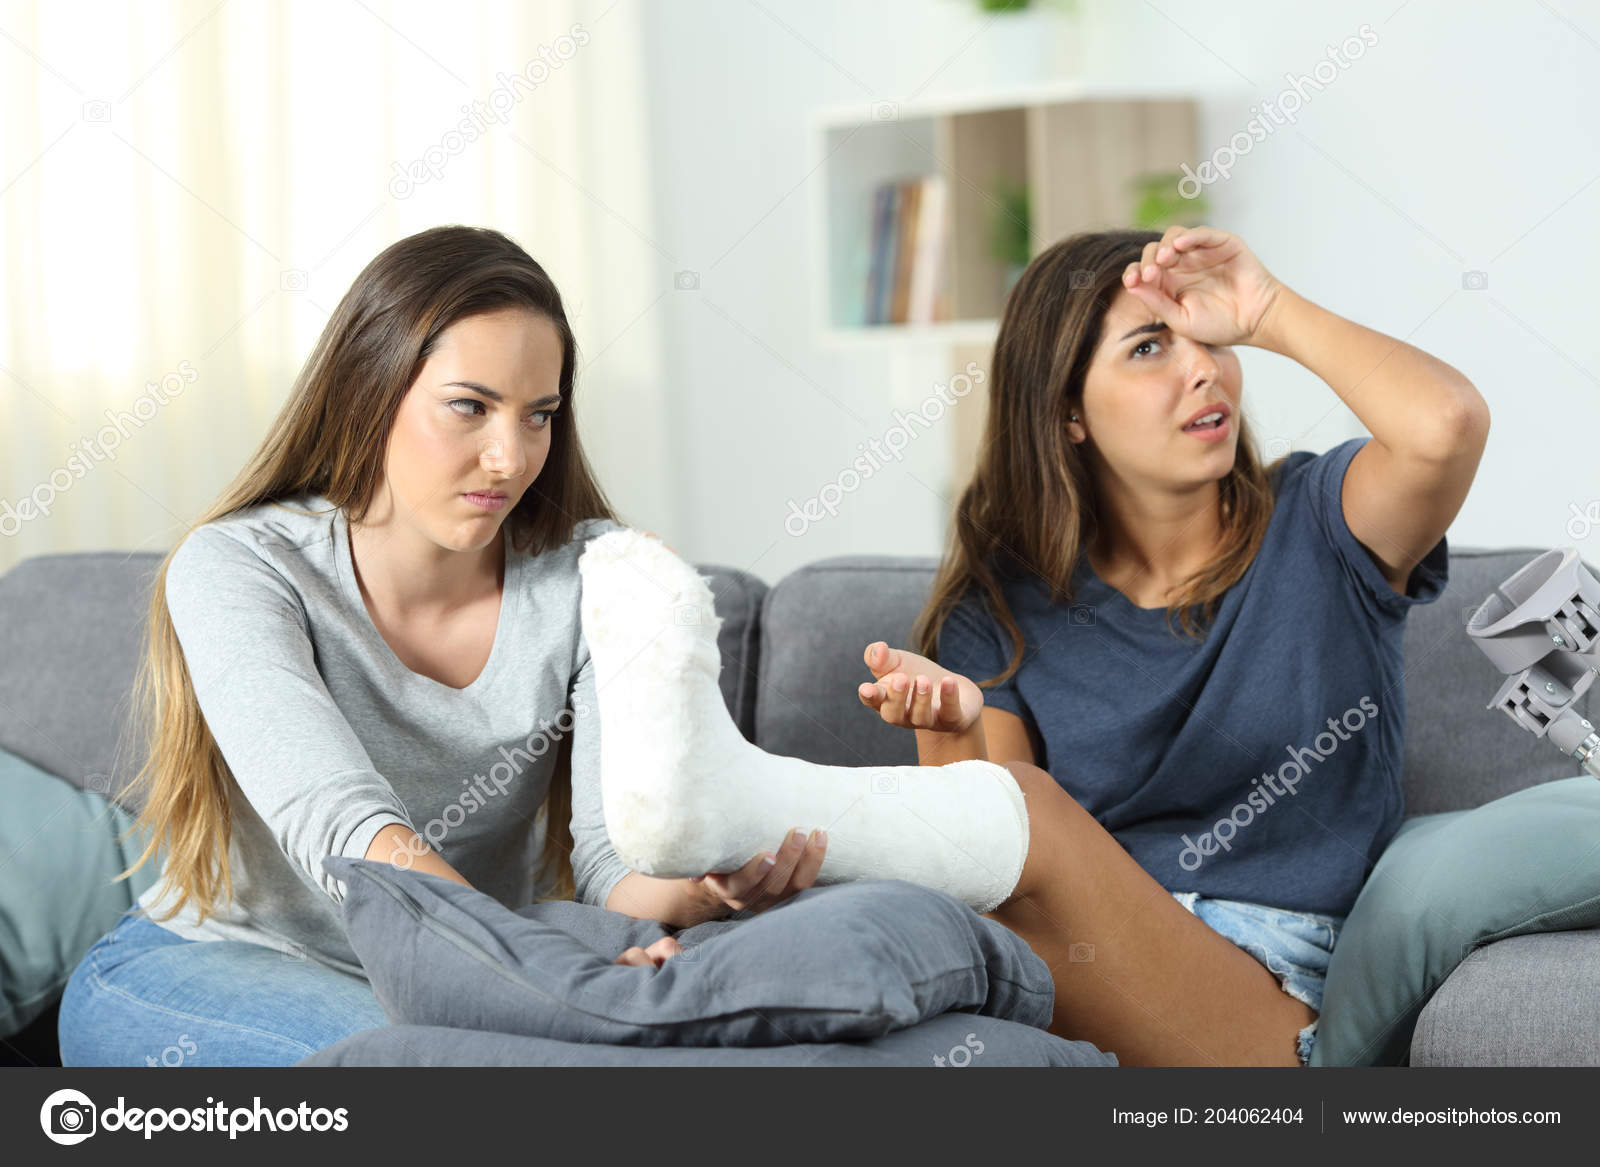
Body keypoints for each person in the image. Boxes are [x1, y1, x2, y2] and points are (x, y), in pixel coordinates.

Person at [56, 224, 823, 1067]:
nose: (511, 456)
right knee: (448, 1073)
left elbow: (605, 860)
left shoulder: (593, 577)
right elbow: (344, 825)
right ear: (369, 390)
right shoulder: (239, 567)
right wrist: (542, 973)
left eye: (539, 416)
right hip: (219, 966)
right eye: (471, 406)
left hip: (474, 975)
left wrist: (703, 893)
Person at [852, 225, 1490, 1065]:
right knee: (874, 920)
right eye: (1151, 345)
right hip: (1075, 970)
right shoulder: (1003, 606)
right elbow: (979, 869)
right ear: (1068, 411)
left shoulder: (1322, 523)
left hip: (1273, 987)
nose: (1204, 368)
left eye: (1213, 341)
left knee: (1014, 816)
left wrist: (1266, 310)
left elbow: (1446, 424)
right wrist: (947, 726)